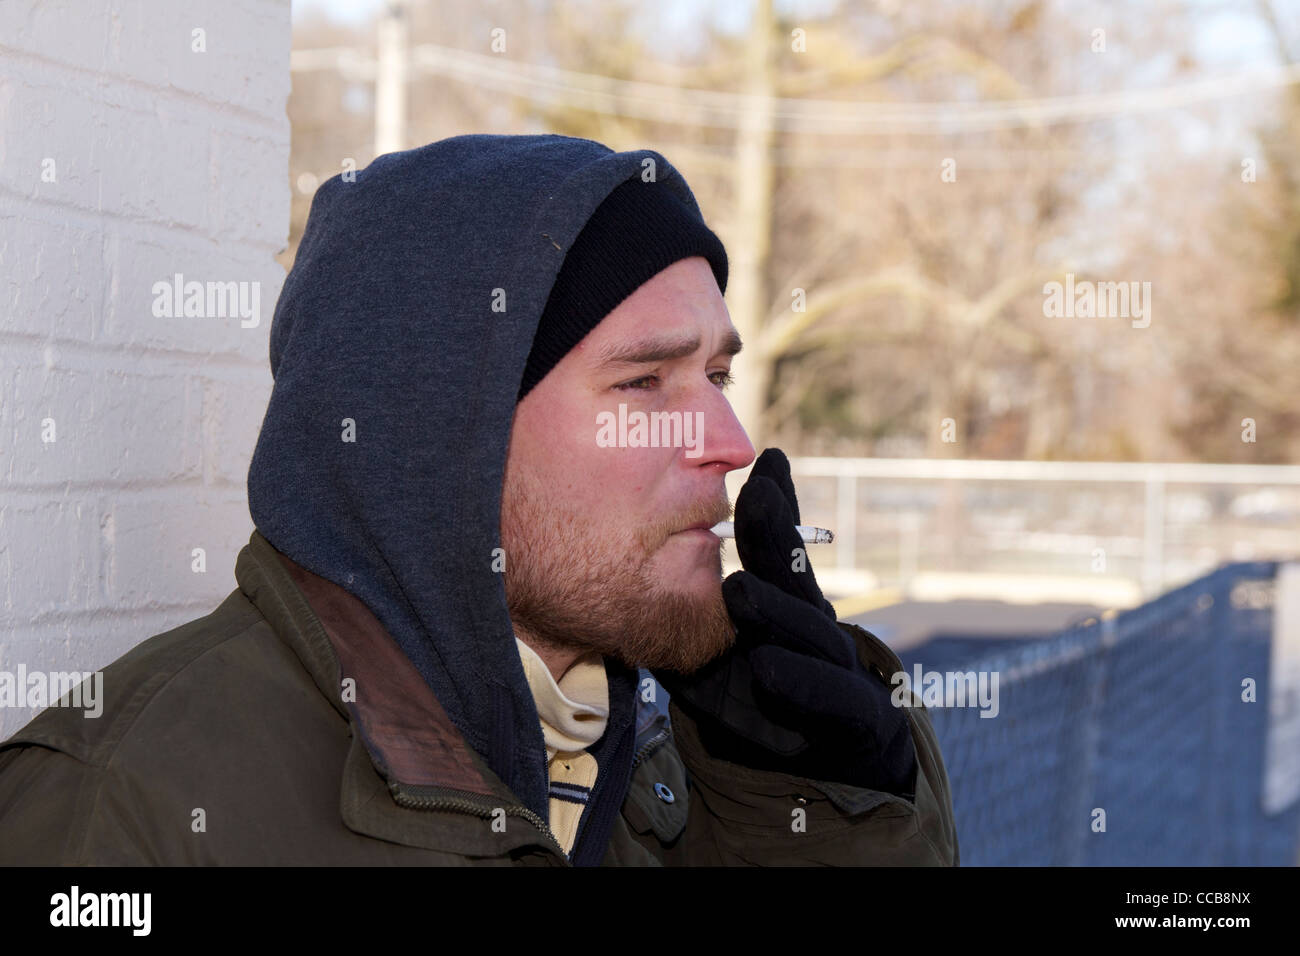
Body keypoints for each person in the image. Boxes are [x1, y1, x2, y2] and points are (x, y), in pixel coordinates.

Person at [0, 134, 958, 865]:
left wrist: (829, 802)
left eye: (716, 375)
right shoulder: (129, 807)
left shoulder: (669, 759)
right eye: (642, 384)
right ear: (439, 433)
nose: (730, 443)